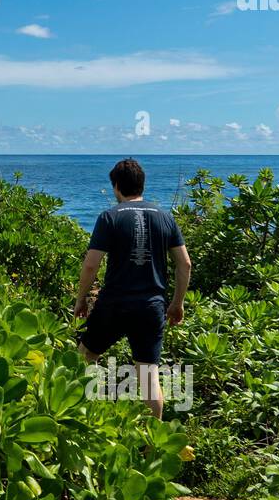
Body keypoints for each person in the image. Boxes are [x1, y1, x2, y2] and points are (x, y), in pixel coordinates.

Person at [73, 158, 191, 419]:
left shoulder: (109, 217)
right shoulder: (165, 217)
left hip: (114, 304)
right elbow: (185, 264)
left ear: (116, 187)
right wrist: (177, 303)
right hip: (151, 306)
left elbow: (91, 265)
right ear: (142, 185)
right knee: (149, 379)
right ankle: (153, 447)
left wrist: (81, 299)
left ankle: (78, 418)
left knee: (82, 359)